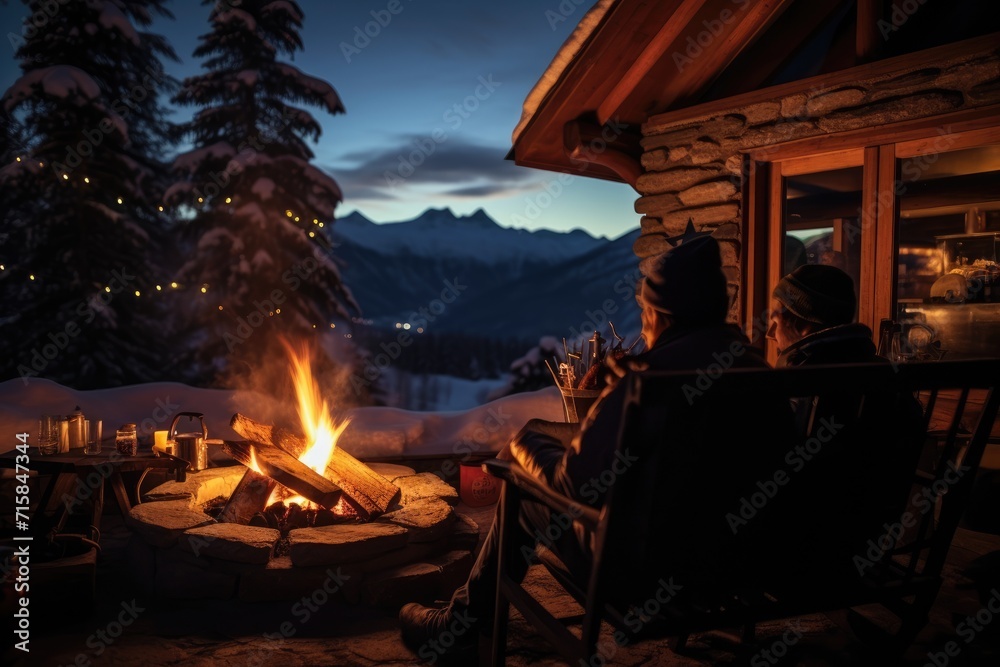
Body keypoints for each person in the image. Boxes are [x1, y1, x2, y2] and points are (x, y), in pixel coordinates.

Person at [398, 236, 793, 660]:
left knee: (522, 491)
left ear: (663, 314)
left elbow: (574, 485)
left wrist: (524, 442)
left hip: (643, 575)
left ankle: (460, 624)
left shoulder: (647, 378)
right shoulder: (761, 371)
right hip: (736, 566)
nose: (642, 326)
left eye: (644, 313)